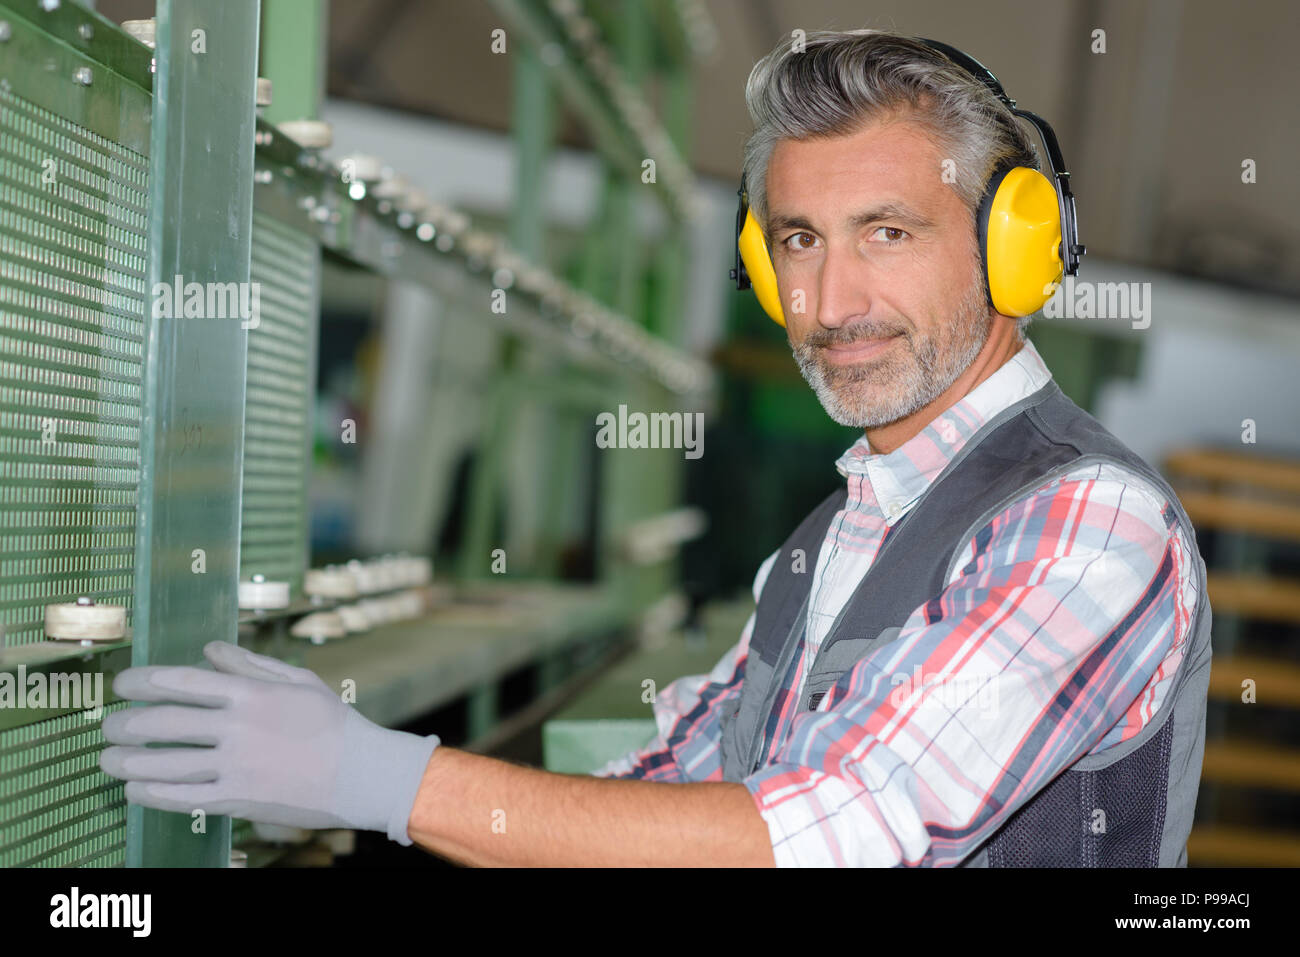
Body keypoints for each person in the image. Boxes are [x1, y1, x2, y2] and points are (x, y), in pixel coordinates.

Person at [100, 29, 1211, 867]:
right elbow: (661, 787)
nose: (829, 300)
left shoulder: (1086, 520)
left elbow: (835, 832)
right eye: (796, 242)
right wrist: (361, 789)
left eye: (887, 232)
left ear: (1012, 247)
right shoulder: (828, 544)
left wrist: (379, 777)